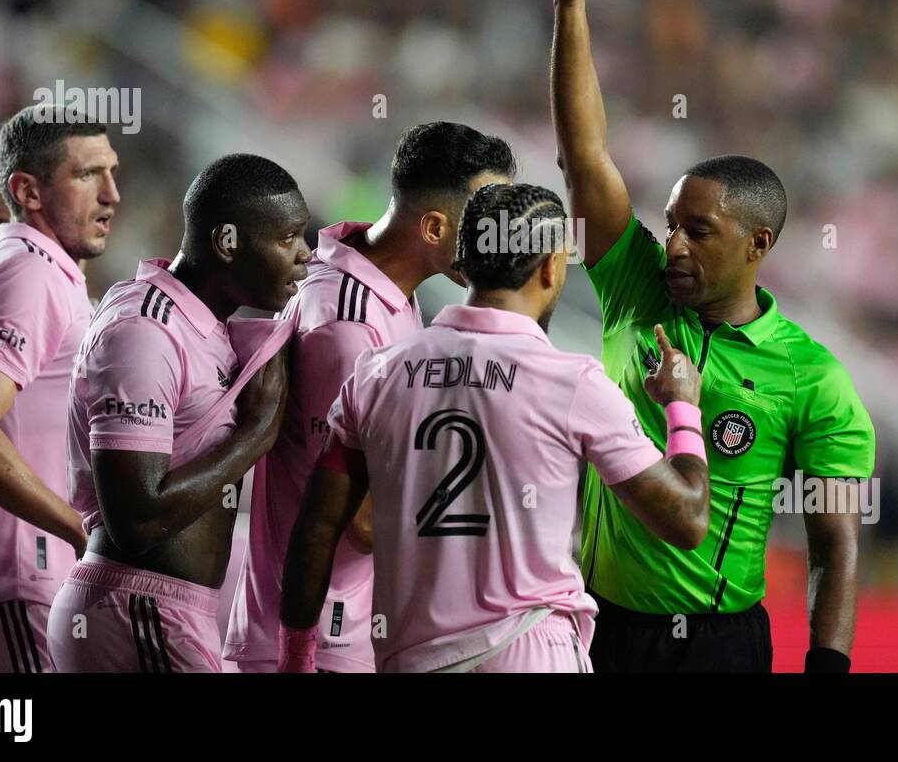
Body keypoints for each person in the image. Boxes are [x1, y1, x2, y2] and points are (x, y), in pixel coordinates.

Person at [539, 0, 876, 672]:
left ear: (759, 244)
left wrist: (827, 667)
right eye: (669, 224)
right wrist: (571, 3)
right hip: (594, 627)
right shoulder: (636, 289)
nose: (673, 245)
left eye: (698, 231)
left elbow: (834, 542)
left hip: (716, 647)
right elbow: (583, 158)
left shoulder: (813, 377)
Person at [278, 183, 710, 673]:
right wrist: (682, 408)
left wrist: (296, 656)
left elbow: (317, 526)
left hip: (410, 657)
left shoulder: (378, 372)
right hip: (529, 649)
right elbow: (687, 519)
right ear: (551, 267)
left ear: (463, 263)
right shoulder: (572, 382)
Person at [226, 121, 514, 673]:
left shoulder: (383, 295)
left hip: (344, 630)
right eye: (485, 221)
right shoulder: (349, 325)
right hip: (318, 641)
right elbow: (356, 517)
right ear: (433, 225)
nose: (497, 240)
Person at [48, 153, 306, 672]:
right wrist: (255, 435)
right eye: (287, 238)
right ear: (227, 242)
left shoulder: (203, 327)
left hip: (163, 609)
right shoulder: (145, 330)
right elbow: (136, 520)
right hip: (137, 606)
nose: (304, 255)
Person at [0, 107, 121, 672]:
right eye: (87, 174)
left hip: (13, 586)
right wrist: (83, 535)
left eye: (111, 171)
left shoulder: (24, 268)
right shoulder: (26, 272)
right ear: (27, 191)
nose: (111, 193)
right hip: (23, 581)